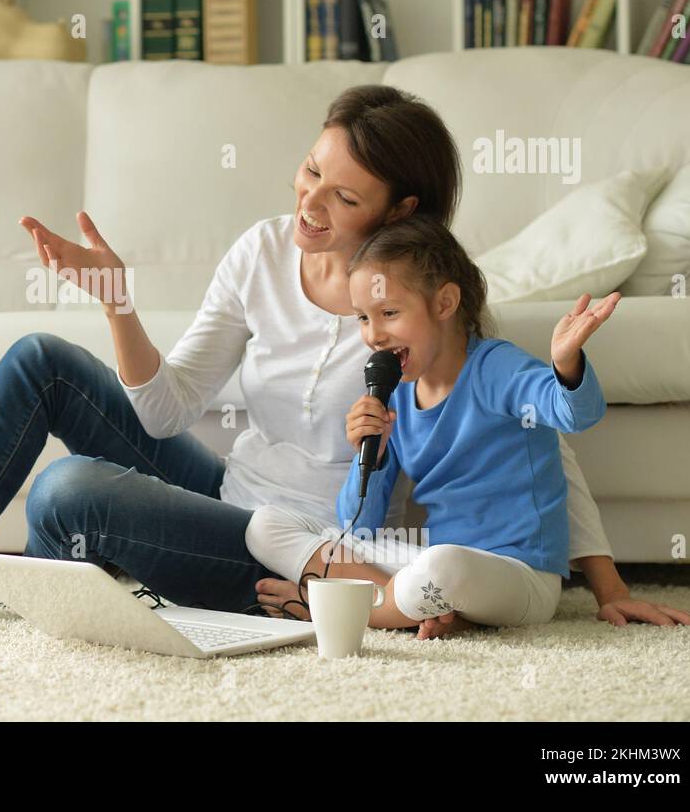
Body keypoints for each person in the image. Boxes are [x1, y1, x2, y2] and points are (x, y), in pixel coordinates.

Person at [0, 85, 690, 634]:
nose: (309, 203)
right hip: (226, 489)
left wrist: (606, 583)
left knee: (65, 494)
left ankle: (94, 573)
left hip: (308, 543)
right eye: (310, 170)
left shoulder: (419, 300)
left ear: (399, 210)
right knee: (39, 355)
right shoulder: (263, 250)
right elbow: (163, 410)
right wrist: (116, 300)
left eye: (341, 194)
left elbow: (531, 426)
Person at [246, 216, 613, 636]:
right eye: (363, 318)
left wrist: (566, 363)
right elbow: (359, 525)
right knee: (265, 524)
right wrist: (373, 452)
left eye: (388, 313)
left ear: (444, 303)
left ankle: (333, 610)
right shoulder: (397, 396)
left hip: (518, 575)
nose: (374, 335)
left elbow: (574, 413)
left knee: (444, 566)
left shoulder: (497, 368)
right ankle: (414, 605)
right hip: (432, 563)